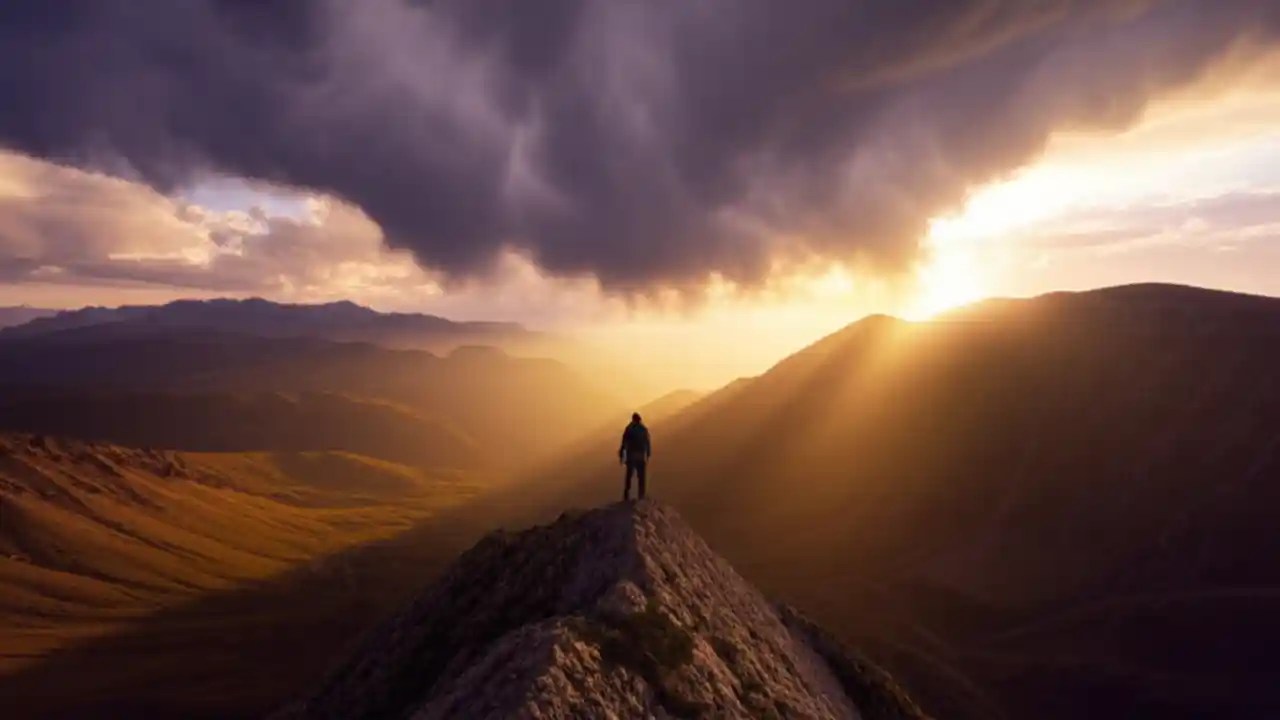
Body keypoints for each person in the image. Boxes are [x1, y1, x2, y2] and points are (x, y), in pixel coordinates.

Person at [618, 412, 651, 501]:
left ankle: (626, 495)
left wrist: (621, 455)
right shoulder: (643, 429)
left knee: (629, 476)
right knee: (641, 477)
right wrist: (648, 454)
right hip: (640, 456)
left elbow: (624, 443)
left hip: (631, 455)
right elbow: (647, 442)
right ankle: (641, 495)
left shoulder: (629, 429)